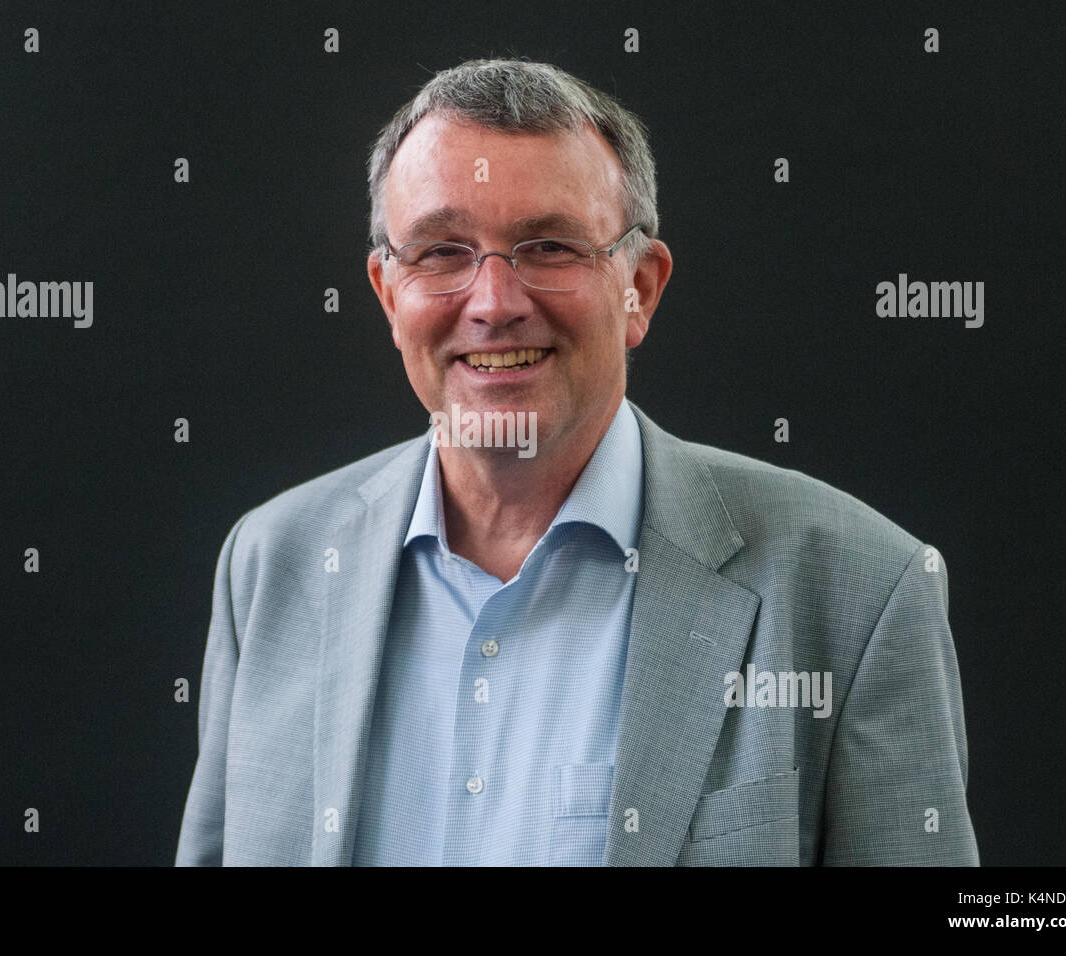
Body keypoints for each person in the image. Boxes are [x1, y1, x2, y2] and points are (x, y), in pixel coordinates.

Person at [175, 58, 979, 866]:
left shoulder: (860, 590)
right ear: (389, 293)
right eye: (442, 252)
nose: (493, 302)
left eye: (549, 246)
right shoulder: (271, 564)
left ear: (641, 288)